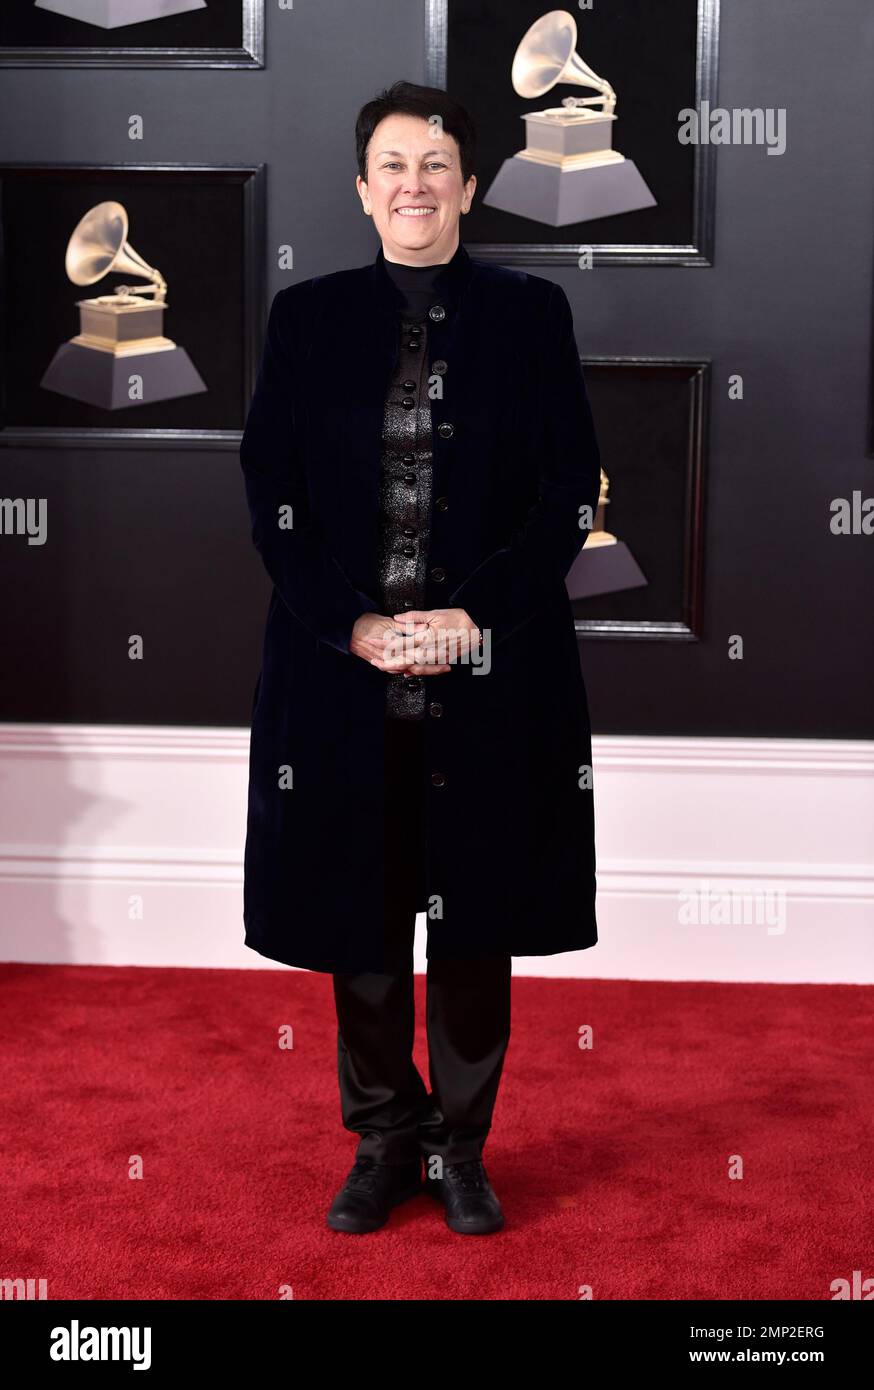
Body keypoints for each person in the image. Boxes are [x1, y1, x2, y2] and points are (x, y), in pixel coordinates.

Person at [239, 80, 602, 1238]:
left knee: (476, 917)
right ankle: (383, 1138)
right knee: (361, 913)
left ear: (470, 185)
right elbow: (272, 496)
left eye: (436, 163)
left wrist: (470, 618)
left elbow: (563, 497)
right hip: (342, 677)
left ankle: (460, 1149)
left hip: (490, 681)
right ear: (361, 189)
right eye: (392, 164)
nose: (414, 183)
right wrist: (352, 623)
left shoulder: (531, 315)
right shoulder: (305, 319)